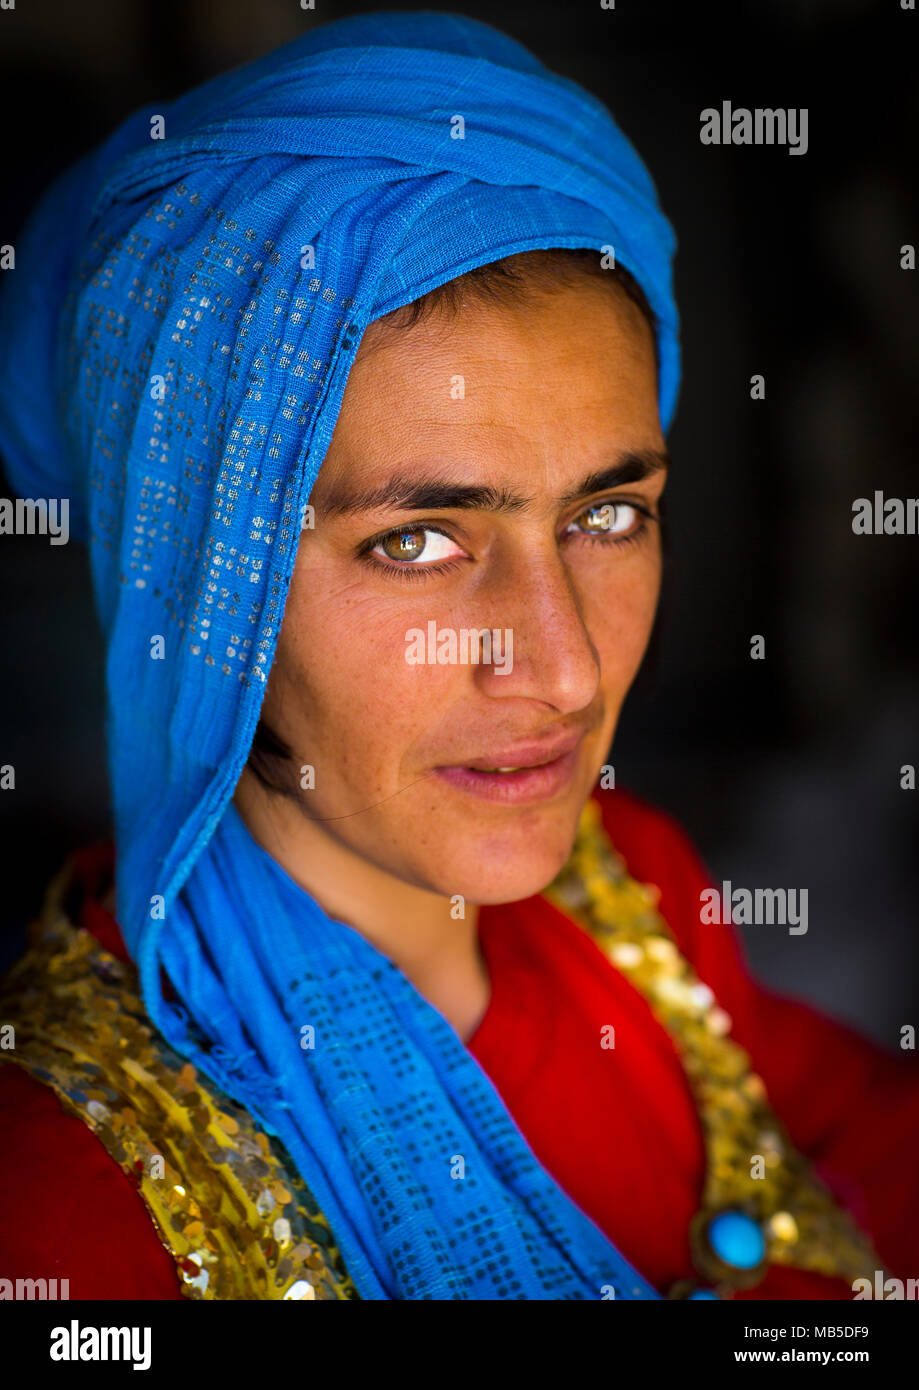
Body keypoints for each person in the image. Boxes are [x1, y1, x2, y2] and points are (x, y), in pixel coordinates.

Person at [0, 10, 915, 1303]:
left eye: (607, 516)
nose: (566, 667)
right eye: (418, 539)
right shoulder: (68, 1210)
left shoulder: (631, 898)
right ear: (197, 585)